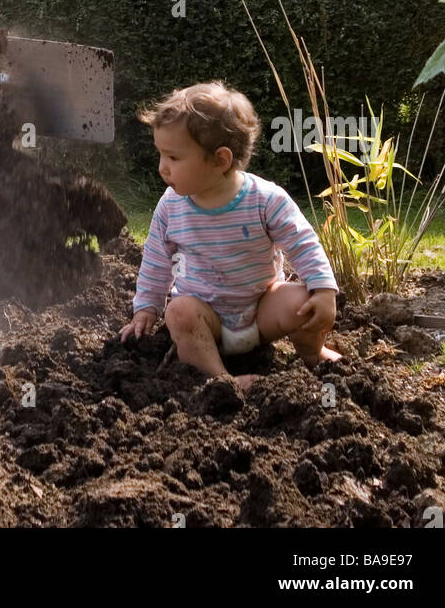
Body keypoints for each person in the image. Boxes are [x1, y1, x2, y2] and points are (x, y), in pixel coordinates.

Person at [119, 82, 340, 390]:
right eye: (161, 155)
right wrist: (146, 308)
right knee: (179, 312)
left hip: (261, 310)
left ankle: (313, 355)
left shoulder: (265, 199)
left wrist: (323, 289)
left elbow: (302, 242)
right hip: (205, 322)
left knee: (301, 300)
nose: (162, 168)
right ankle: (221, 379)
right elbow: (157, 261)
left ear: (220, 160)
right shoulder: (171, 206)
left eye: (174, 158)